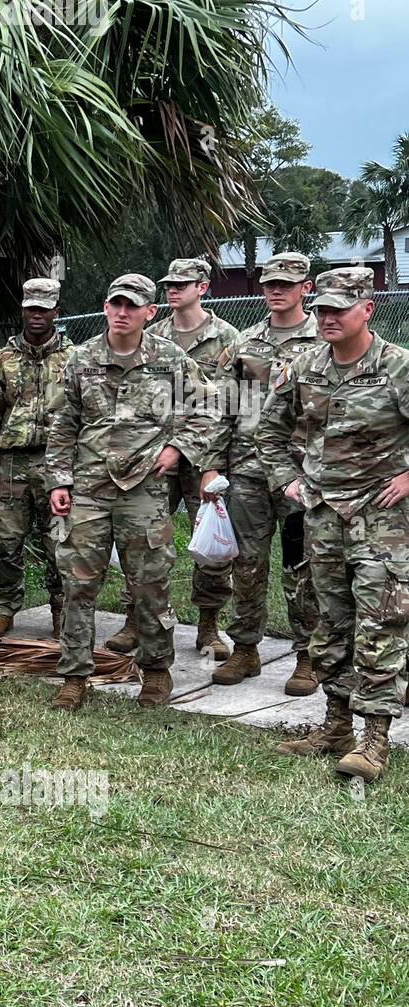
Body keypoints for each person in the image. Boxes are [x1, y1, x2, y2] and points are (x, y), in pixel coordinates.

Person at [257, 266, 409, 782]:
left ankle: (375, 740)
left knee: (379, 626)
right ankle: (336, 725)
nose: (327, 318)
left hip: (383, 522)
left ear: (368, 309)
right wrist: (288, 482)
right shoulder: (303, 366)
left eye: (338, 309)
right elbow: (269, 433)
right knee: (331, 625)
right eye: (320, 309)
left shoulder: (397, 367)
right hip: (323, 518)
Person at [44, 273, 220, 710]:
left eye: (132, 306)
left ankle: (157, 672)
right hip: (88, 486)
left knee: (149, 584)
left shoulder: (171, 359)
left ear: (149, 313)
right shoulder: (81, 358)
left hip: (143, 488)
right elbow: (62, 424)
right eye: (115, 305)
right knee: (78, 585)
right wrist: (59, 480)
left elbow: (210, 406)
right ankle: (74, 676)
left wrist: (179, 447)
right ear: (105, 308)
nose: (122, 313)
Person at [106, 257, 239, 660]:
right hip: (153, 459)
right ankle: (136, 619)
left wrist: (210, 459)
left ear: (203, 287)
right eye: (168, 284)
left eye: (183, 283)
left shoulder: (226, 337)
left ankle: (208, 627)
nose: (173, 289)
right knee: (143, 540)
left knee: (210, 544)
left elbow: (228, 404)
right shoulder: (152, 333)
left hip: (204, 458)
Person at [210, 252, 321, 695]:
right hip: (248, 472)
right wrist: (214, 466)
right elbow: (221, 408)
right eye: (271, 283)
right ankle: (246, 647)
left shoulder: (322, 340)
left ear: (305, 289)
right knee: (247, 562)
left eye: (287, 284)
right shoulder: (244, 343)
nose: (277, 290)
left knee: (302, 565)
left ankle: (308, 655)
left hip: (298, 474)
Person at [0, 277, 72, 640]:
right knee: (5, 542)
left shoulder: (74, 359)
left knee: (60, 540)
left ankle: (63, 608)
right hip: (11, 463)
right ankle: (0, 608)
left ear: (55, 313)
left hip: (57, 463)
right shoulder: (3, 360)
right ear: (23, 310)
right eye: (31, 308)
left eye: (44, 310)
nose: (36, 316)